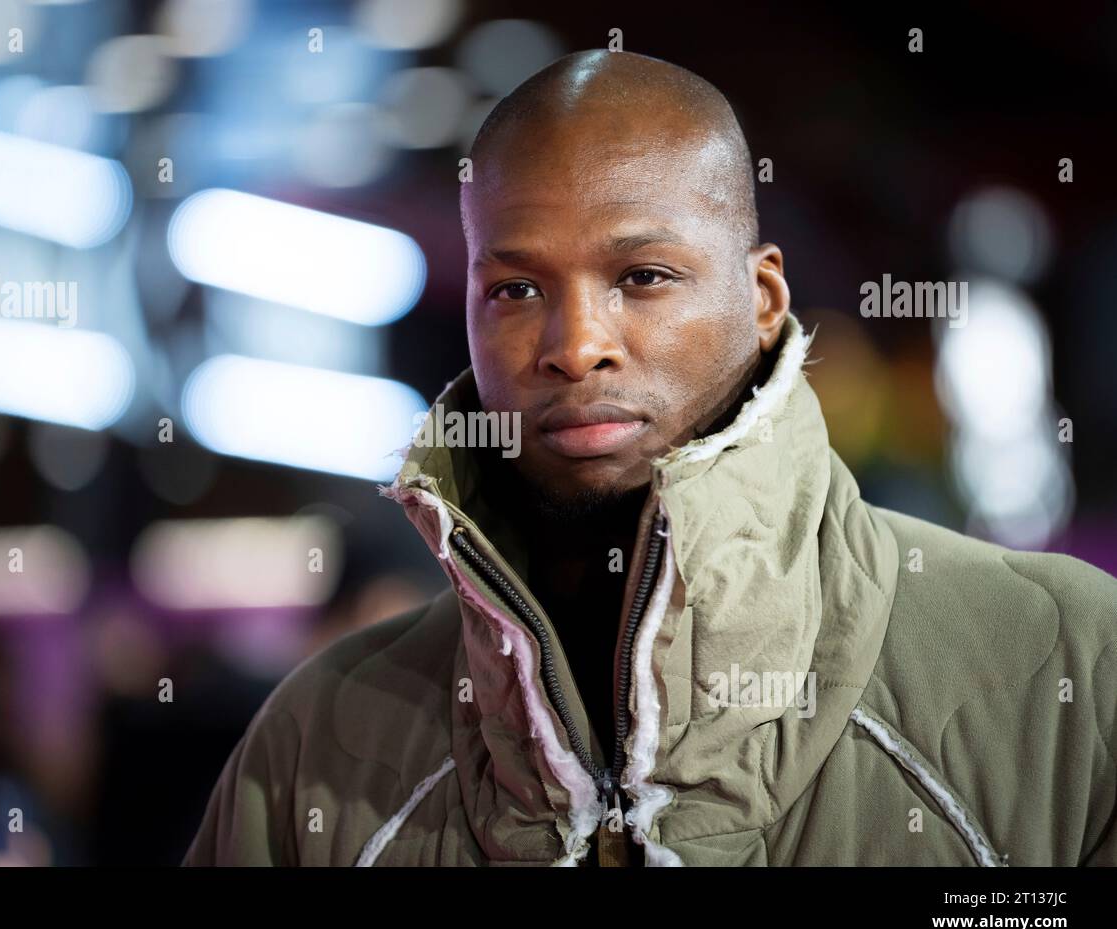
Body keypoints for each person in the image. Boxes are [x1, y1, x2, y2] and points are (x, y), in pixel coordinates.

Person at [184, 50, 1117, 866]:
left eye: (643, 277)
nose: (576, 344)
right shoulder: (315, 741)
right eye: (515, 289)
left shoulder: (1067, 665)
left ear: (763, 299)